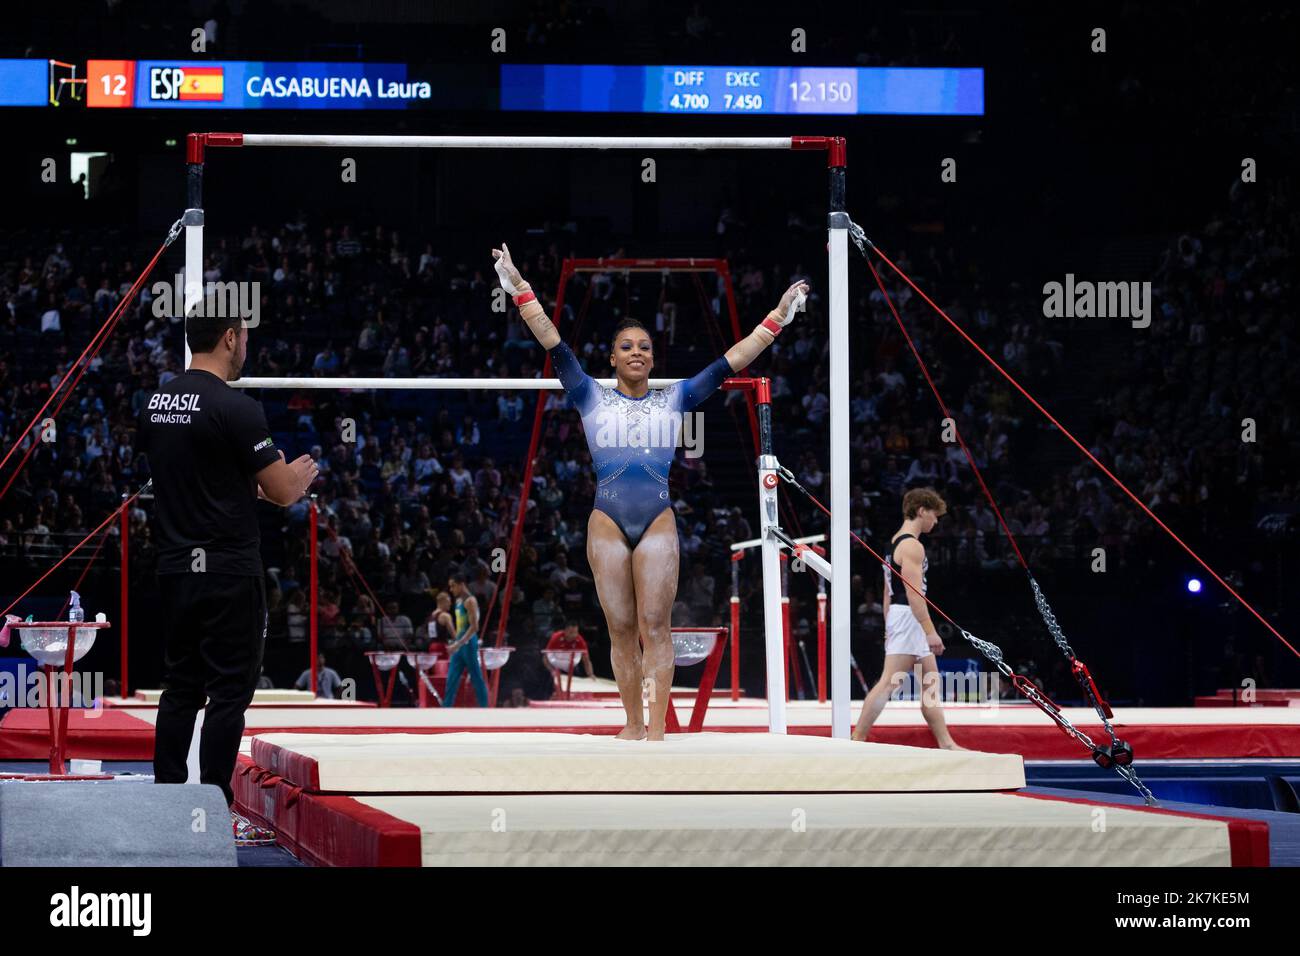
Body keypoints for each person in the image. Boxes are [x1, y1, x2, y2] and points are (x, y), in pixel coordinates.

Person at [492, 242, 807, 740]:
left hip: (657, 517)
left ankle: (657, 729)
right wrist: (520, 288)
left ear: (652, 357)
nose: (636, 352)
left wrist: (777, 317)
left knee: (655, 626)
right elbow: (554, 343)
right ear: (612, 358)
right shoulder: (587, 393)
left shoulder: (676, 397)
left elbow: (732, 360)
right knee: (619, 628)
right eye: (626, 347)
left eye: (643, 346)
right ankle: (633, 724)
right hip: (607, 521)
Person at [136, 306, 317, 846]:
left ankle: (170, 805)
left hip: (174, 567)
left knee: (180, 688)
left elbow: (196, 473)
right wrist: (296, 477)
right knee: (228, 695)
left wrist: (247, 482)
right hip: (228, 571)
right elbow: (282, 492)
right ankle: (213, 812)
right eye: (246, 342)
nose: (247, 352)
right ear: (231, 338)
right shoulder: (238, 409)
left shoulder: (154, 404)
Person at [852, 488, 966, 749]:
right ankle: (857, 738)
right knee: (889, 682)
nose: (935, 522)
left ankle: (946, 742)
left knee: (930, 681)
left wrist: (887, 625)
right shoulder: (912, 546)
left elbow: (886, 592)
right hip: (909, 617)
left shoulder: (893, 542)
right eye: (934, 516)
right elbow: (914, 595)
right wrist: (930, 631)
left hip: (900, 616)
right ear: (922, 511)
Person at [443, 571, 489, 707]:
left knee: (476, 678)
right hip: (459, 642)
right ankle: (446, 709)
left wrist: (458, 644)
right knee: (451, 679)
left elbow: (475, 627)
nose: (451, 590)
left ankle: (485, 709)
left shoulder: (470, 601)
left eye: (453, 586)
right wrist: (455, 641)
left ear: (461, 585)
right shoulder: (458, 601)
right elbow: (460, 626)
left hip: (468, 643)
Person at [544, 618, 596, 691]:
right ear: (565, 631)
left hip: (570, 665)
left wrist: (590, 674)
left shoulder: (579, 640)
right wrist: (551, 670)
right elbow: (546, 658)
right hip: (556, 663)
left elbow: (586, 660)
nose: (574, 635)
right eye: (571, 632)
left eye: (576, 632)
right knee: (549, 679)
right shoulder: (556, 637)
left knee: (577, 673)